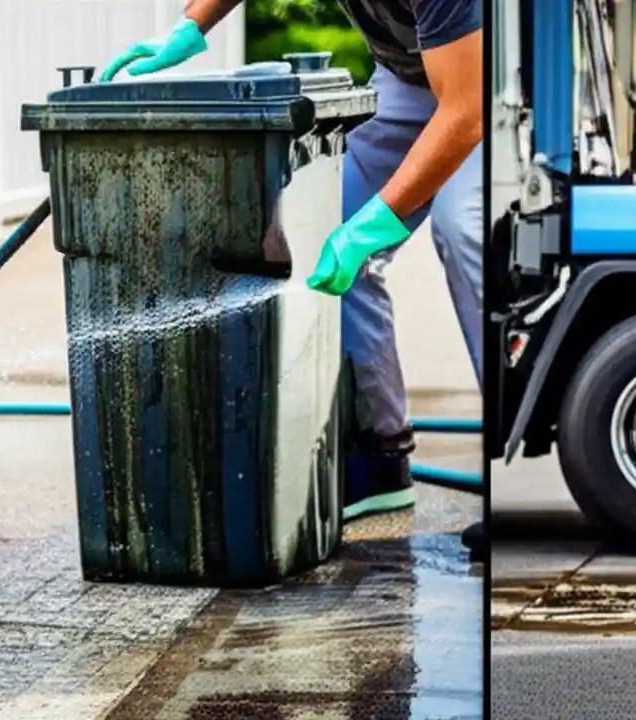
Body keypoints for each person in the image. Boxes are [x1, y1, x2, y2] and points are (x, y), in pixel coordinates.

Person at [101, 0, 485, 560]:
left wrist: (374, 226)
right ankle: (380, 453)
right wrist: (190, 28)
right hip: (408, 78)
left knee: (466, 231)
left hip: (483, 86)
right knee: (324, 233)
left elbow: (466, 111)